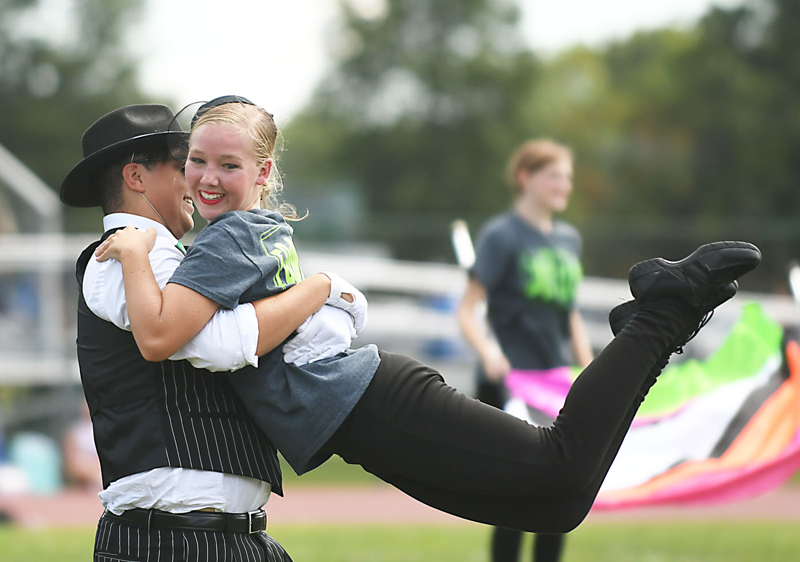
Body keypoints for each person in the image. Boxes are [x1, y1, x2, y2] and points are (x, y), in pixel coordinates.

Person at [95, 95, 762, 533]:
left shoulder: (230, 236)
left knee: (560, 464)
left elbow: (162, 333)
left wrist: (130, 253)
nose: (208, 177)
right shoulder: (238, 232)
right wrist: (327, 289)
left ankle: (662, 312)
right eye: (197, 162)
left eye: (229, 164)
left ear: (263, 172)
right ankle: (656, 323)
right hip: (358, 416)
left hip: (372, 401)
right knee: (558, 504)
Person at [61, 104, 363, 562]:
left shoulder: (167, 254)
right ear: (137, 177)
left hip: (213, 538)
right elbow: (219, 342)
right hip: (172, 541)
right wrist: (319, 288)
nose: (196, 180)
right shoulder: (129, 251)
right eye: (184, 164)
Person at [457, 139, 588, 562]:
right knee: (515, 500)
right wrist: (490, 353)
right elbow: (468, 310)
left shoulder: (569, 239)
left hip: (557, 383)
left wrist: (587, 367)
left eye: (567, 177)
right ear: (525, 178)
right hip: (511, 382)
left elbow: (568, 313)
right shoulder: (502, 236)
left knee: (558, 496)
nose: (563, 185)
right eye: (554, 175)